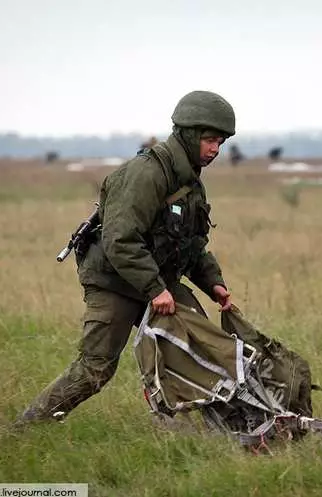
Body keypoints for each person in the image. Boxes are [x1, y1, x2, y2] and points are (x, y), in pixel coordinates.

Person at [17, 90, 236, 425]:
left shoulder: (191, 182)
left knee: (202, 350)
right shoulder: (145, 174)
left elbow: (191, 244)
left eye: (220, 142)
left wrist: (214, 283)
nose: (215, 150)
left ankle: (206, 431)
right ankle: (26, 429)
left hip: (157, 281)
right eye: (209, 140)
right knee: (96, 370)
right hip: (115, 281)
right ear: (189, 135)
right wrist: (155, 289)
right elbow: (120, 240)